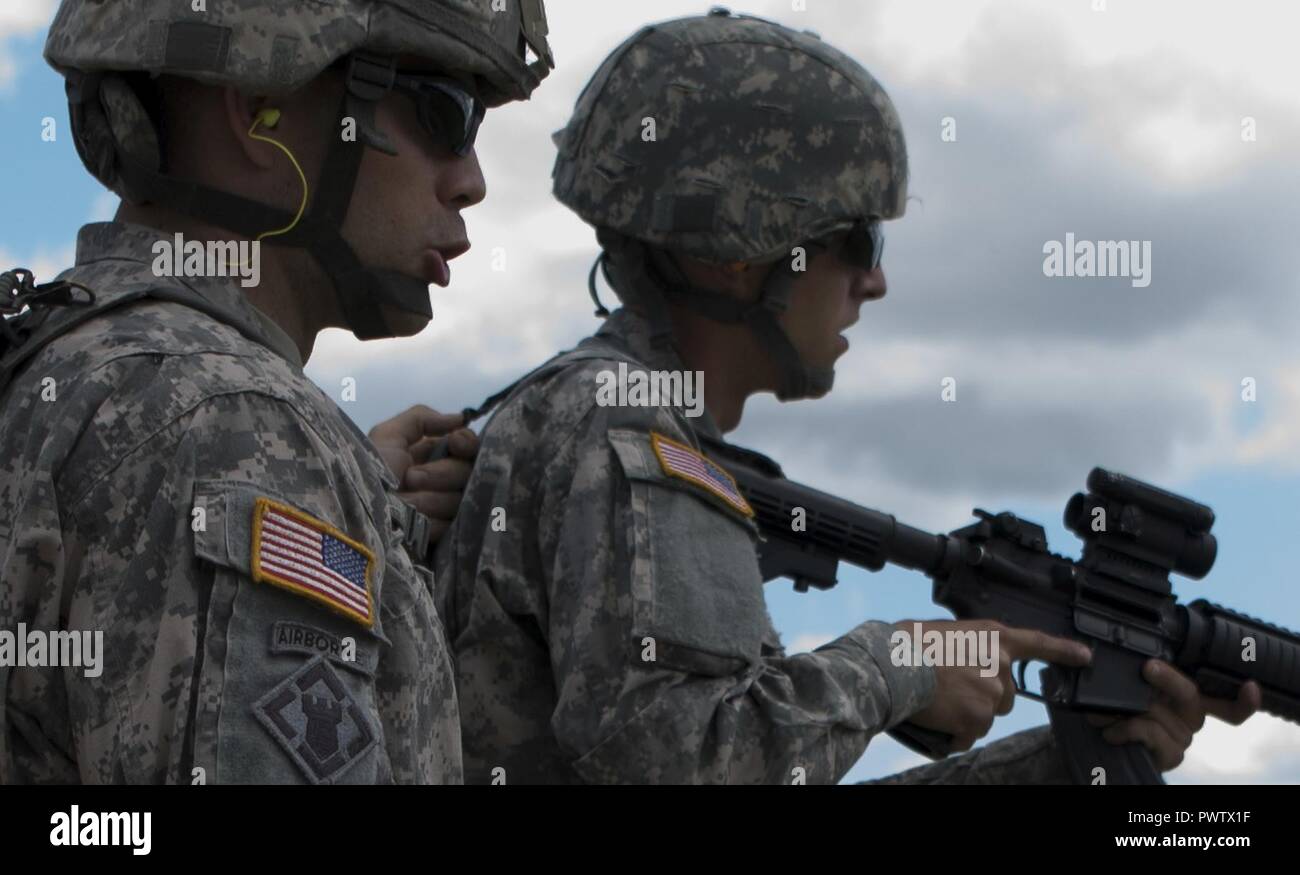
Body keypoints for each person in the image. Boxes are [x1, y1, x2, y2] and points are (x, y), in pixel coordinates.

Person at [433, 8, 1258, 784]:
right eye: (857, 241)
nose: (876, 281)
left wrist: (1069, 759)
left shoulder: (631, 423)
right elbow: (682, 758)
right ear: (740, 248)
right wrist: (896, 667)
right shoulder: (626, 427)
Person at [0, 0, 552, 784]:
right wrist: (285, 469)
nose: (471, 182)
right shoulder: (229, 421)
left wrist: (354, 487)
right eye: (445, 114)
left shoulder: (74, 366)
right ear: (260, 112)